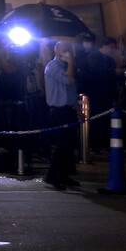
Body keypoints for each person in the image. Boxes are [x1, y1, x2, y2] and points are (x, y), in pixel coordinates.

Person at [43, 40, 80, 190]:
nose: (67, 53)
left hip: (68, 109)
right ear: (56, 50)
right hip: (58, 110)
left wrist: (76, 107)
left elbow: (72, 89)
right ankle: (52, 176)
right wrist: (71, 63)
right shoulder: (52, 67)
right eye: (64, 50)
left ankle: (64, 174)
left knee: (69, 145)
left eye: (69, 50)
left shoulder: (65, 66)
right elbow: (68, 80)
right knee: (61, 145)